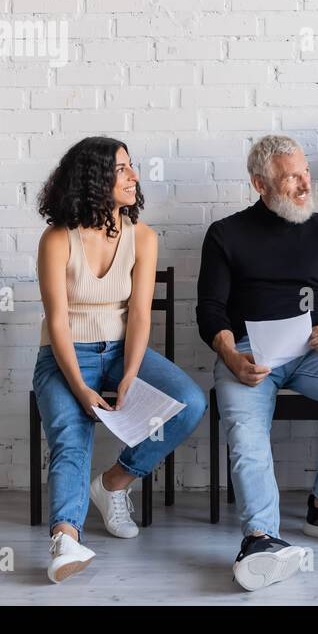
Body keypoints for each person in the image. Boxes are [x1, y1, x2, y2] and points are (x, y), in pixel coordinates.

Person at [198, 134, 318, 592]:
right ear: (260, 184)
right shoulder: (226, 234)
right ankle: (261, 538)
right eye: (290, 178)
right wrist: (230, 355)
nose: (303, 184)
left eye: (305, 173)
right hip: (247, 352)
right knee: (245, 429)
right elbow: (210, 311)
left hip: (311, 352)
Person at [34, 137, 206, 583]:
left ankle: (112, 483)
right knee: (71, 438)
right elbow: (56, 323)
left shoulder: (142, 236)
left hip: (120, 351)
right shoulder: (57, 239)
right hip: (64, 356)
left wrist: (129, 374)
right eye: (122, 169)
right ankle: (65, 538)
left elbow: (140, 315)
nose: (133, 177)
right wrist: (80, 388)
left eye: (133, 167)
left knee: (189, 401)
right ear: (94, 179)